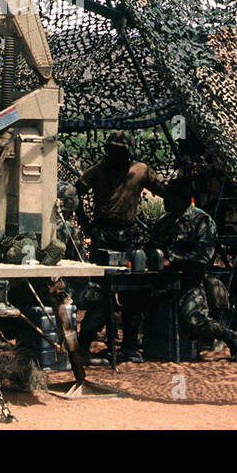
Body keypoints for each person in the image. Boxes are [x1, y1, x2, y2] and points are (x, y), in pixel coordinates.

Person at [73, 131, 165, 362]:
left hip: (130, 237)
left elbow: (166, 192)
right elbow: (73, 194)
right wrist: (84, 222)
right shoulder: (96, 172)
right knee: (99, 290)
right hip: (103, 235)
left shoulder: (140, 171)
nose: (116, 155)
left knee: (133, 290)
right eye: (112, 150)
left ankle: (130, 345)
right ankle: (84, 343)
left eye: (121, 151)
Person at [150, 173, 237, 361]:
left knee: (195, 319)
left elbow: (202, 258)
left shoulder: (202, 221)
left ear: (181, 199)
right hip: (162, 282)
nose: (165, 201)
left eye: (169, 197)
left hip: (191, 282)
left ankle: (230, 337)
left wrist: (172, 260)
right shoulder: (164, 222)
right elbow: (152, 247)